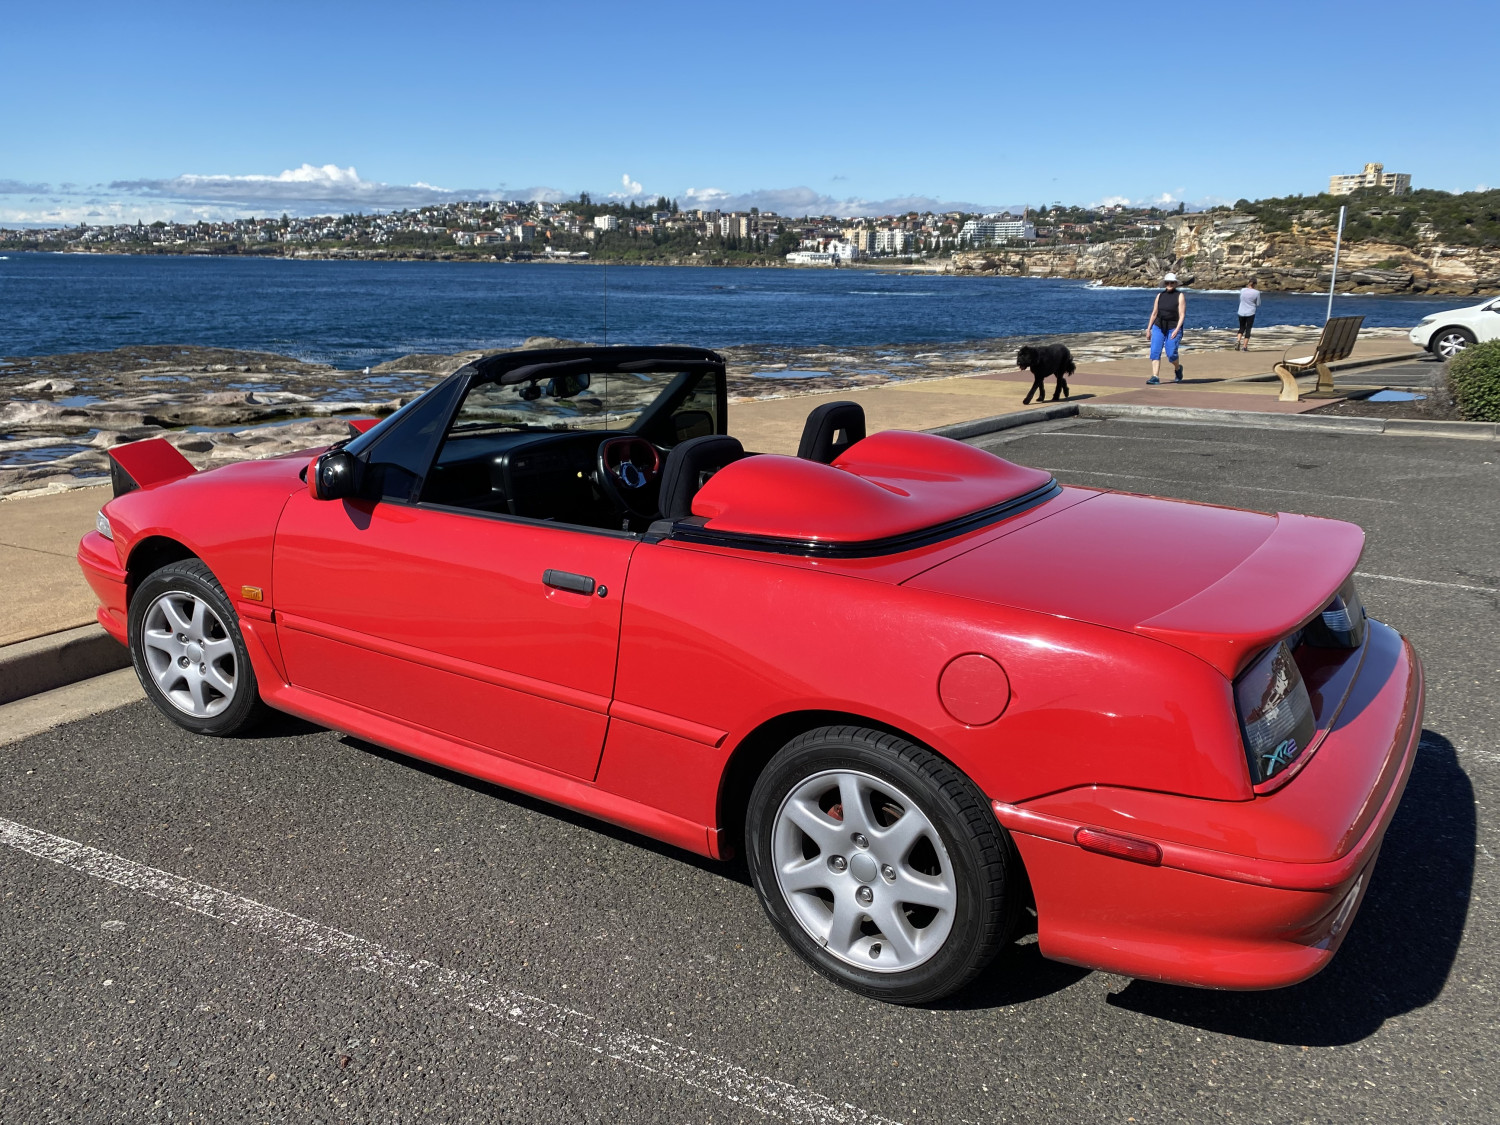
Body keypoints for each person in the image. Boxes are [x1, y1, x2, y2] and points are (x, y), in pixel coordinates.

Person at [1146, 273, 1186, 384]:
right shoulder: (1160, 295)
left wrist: (1177, 329)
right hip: (1159, 326)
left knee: (1171, 353)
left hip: (1173, 327)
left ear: (1175, 284)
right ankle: (1155, 377)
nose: (1169, 284)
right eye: (1167, 283)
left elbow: (1182, 314)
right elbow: (1154, 313)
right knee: (1155, 351)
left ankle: (1178, 368)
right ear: (1164, 284)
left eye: (1172, 283)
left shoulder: (1180, 296)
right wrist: (1148, 329)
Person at [1236, 278, 1261, 351]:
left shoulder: (1243, 290)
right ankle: (1244, 347)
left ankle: (1238, 341)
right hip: (1250, 312)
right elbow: (1258, 304)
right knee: (1248, 329)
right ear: (1255, 284)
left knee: (1241, 327)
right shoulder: (1256, 293)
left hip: (1241, 311)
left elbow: (1241, 299)